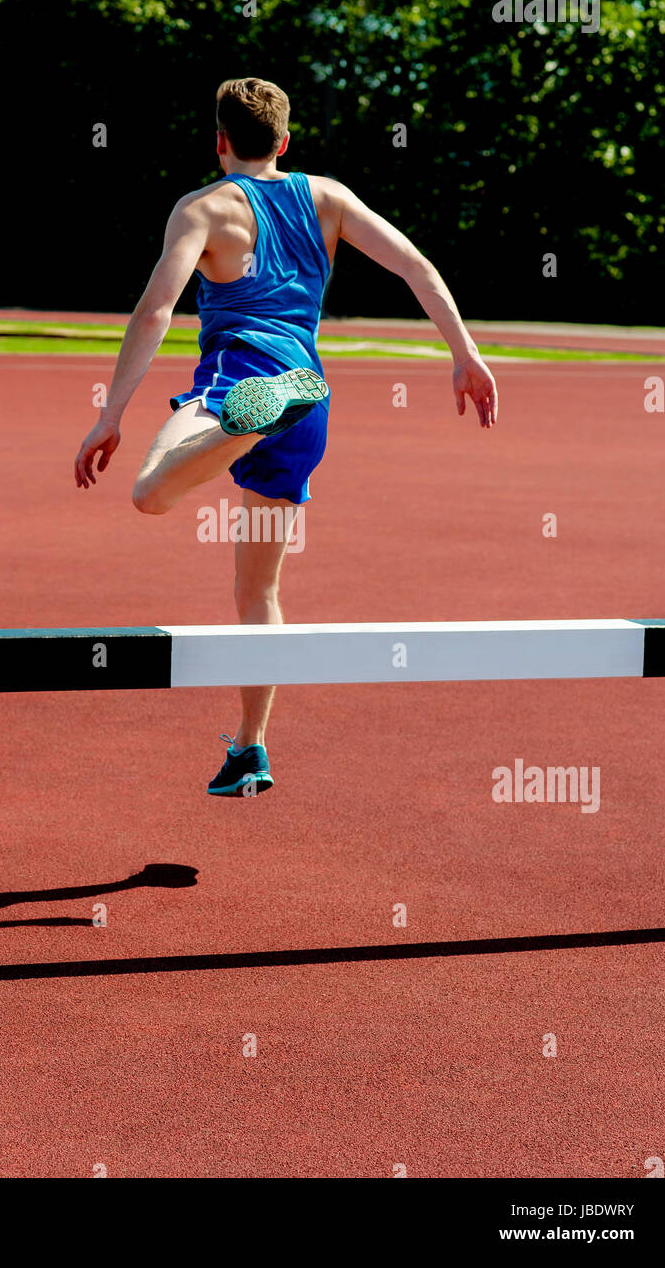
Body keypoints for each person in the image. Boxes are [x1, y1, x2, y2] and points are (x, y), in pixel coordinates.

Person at [74, 77, 498, 797]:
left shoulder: (202, 209)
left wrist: (110, 412)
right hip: (310, 394)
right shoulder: (325, 197)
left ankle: (247, 425)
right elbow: (415, 267)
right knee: (258, 590)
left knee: (150, 492)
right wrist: (464, 354)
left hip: (235, 380)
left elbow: (155, 311)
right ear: (284, 142)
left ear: (218, 141)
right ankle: (249, 748)